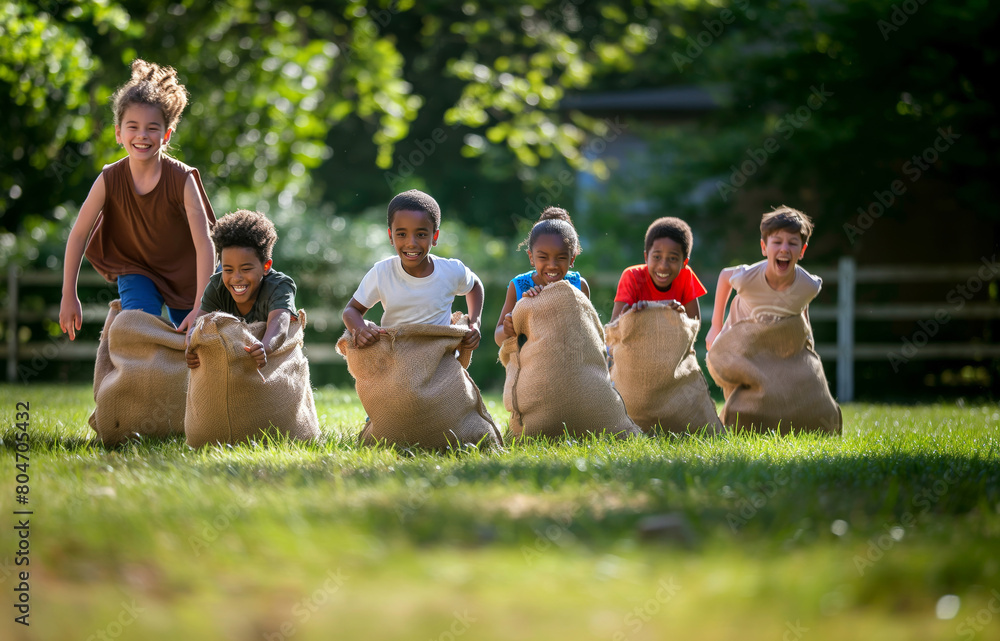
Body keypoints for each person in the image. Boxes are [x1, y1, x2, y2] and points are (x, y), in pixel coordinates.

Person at [59, 59, 215, 340]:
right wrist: (68, 293)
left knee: (196, 343)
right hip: (137, 268)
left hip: (188, 275)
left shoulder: (182, 180)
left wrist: (201, 307)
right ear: (119, 133)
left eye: (152, 128)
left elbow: (205, 244)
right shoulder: (109, 179)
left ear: (166, 135)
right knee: (138, 332)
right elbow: (79, 233)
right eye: (132, 126)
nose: (142, 135)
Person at [342, 189, 484, 349]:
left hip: (441, 359)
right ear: (390, 236)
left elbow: (475, 286)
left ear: (435, 237)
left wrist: (475, 322)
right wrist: (360, 329)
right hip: (395, 357)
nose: (411, 243)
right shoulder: (382, 272)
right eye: (401, 234)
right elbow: (351, 310)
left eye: (421, 235)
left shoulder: (451, 270)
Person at [185, 210, 296, 370]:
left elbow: (279, 322)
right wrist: (191, 343)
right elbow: (198, 324)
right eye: (228, 270)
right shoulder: (217, 286)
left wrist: (265, 347)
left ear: (266, 266)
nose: (236, 277)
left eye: (245, 269)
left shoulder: (279, 286)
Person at [706, 206, 822, 350]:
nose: (784, 249)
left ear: (802, 251)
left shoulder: (809, 285)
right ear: (764, 247)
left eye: (792, 243)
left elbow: (802, 301)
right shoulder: (748, 278)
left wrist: (807, 340)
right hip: (736, 347)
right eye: (777, 242)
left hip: (771, 352)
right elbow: (724, 276)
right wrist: (716, 326)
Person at [494, 207, 591, 346]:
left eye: (561, 257)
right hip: (530, 365)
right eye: (543, 257)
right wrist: (510, 327)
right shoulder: (519, 286)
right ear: (531, 257)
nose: (552, 265)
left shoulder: (578, 286)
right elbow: (498, 337)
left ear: (572, 259)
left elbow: (588, 331)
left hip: (570, 364)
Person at [610, 216, 708, 323]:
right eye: (657, 257)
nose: (663, 266)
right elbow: (613, 329)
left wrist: (681, 315)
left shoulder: (686, 276)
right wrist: (629, 316)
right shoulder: (632, 276)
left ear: (684, 263)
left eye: (672, 258)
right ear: (646, 257)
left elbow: (694, 326)